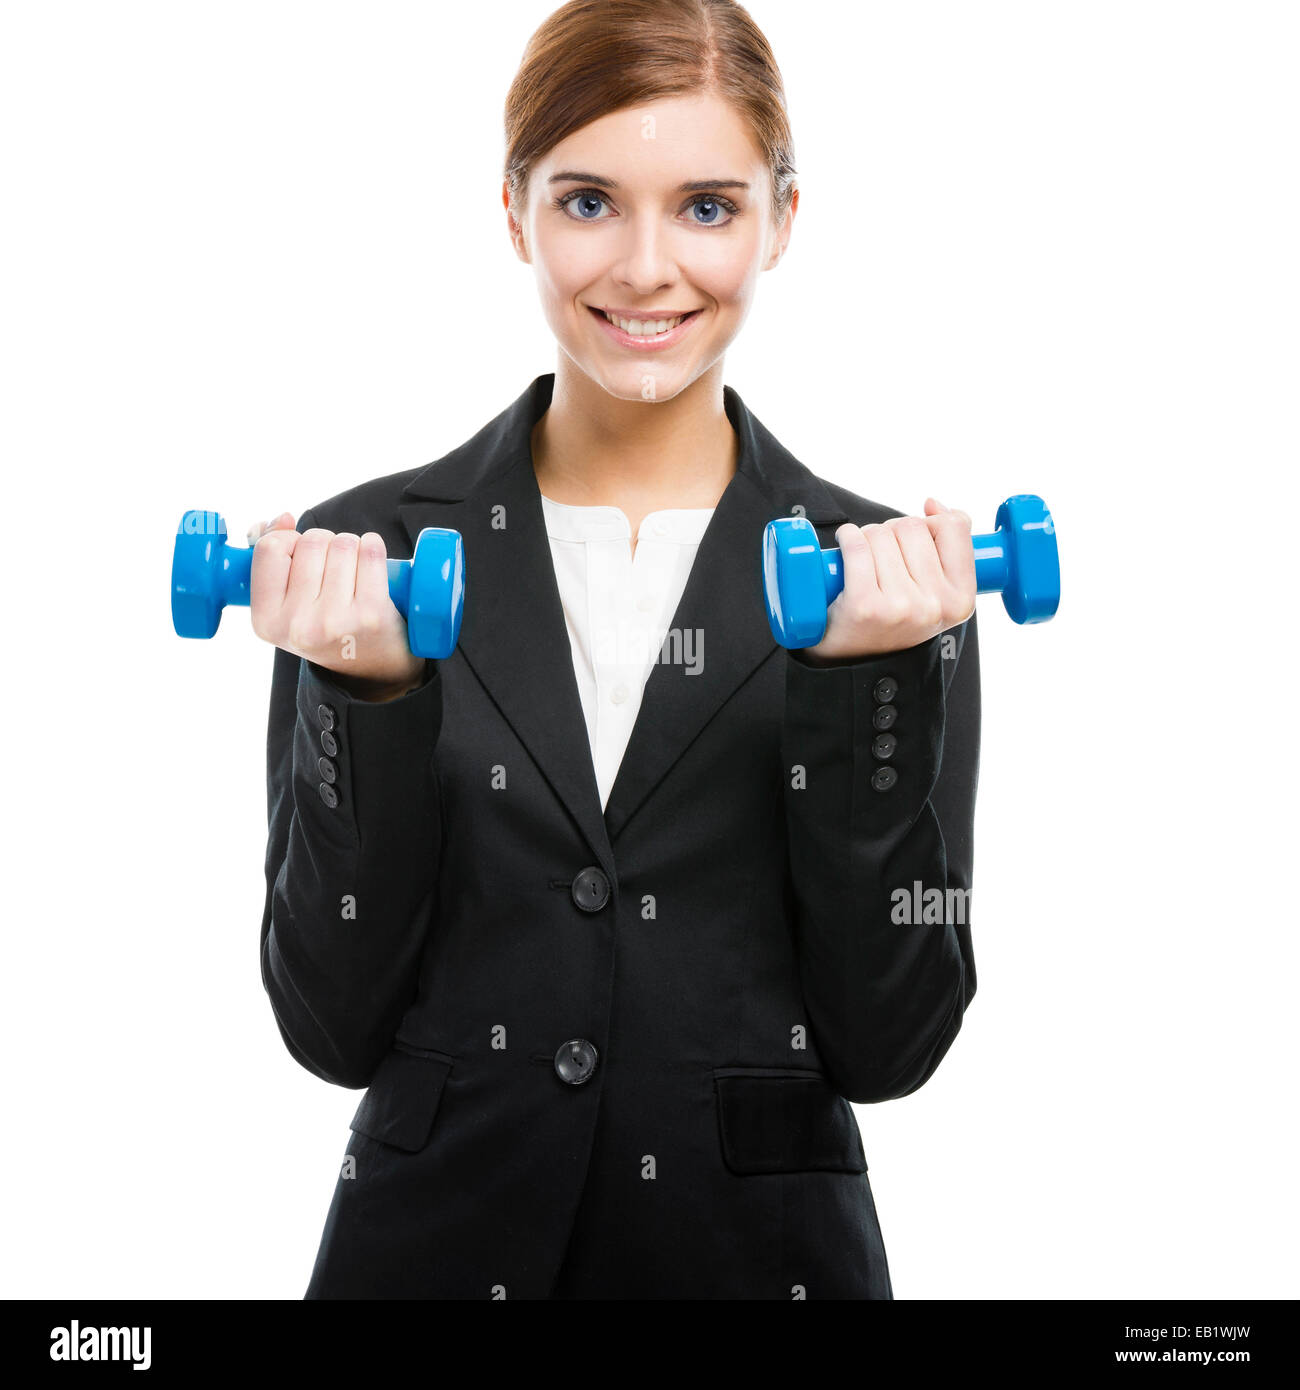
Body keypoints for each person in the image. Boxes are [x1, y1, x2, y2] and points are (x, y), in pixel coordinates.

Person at [255, 0, 980, 1300]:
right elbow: (329, 1023)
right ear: (514, 211)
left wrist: (864, 688)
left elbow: (892, 1041)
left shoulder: (894, 577)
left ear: (783, 219)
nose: (648, 267)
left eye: (707, 206)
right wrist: (368, 694)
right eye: (590, 202)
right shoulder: (359, 554)